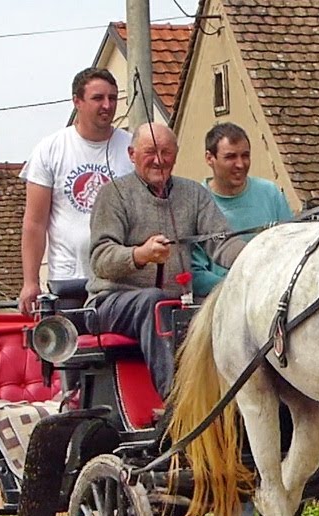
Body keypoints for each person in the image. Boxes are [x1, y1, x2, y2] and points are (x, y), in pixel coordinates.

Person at [87, 122, 244, 397]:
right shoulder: (114, 194)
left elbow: (222, 242)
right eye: (150, 152)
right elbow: (101, 258)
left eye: (167, 152)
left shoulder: (193, 194)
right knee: (154, 302)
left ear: (177, 154)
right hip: (111, 303)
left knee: (225, 305)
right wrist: (139, 255)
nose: (159, 160)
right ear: (132, 154)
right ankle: (176, 401)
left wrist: (256, 257)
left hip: (174, 303)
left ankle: (233, 402)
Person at [18, 68, 133, 315]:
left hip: (121, 280)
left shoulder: (131, 148)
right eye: (98, 98)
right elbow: (34, 223)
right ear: (77, 101)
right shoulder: (50, 150)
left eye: (113, 98)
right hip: (69, 281)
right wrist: (30, 282)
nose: (107, 105)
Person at [191, 122, 294, 296]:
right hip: (218, 303)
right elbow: (195, 275)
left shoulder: (271, 194)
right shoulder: (196, 203)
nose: (240, 164)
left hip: (272, 297)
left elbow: (292, 248)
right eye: (230, 157)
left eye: (245, 155)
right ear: (210, 158)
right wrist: (241, 288)